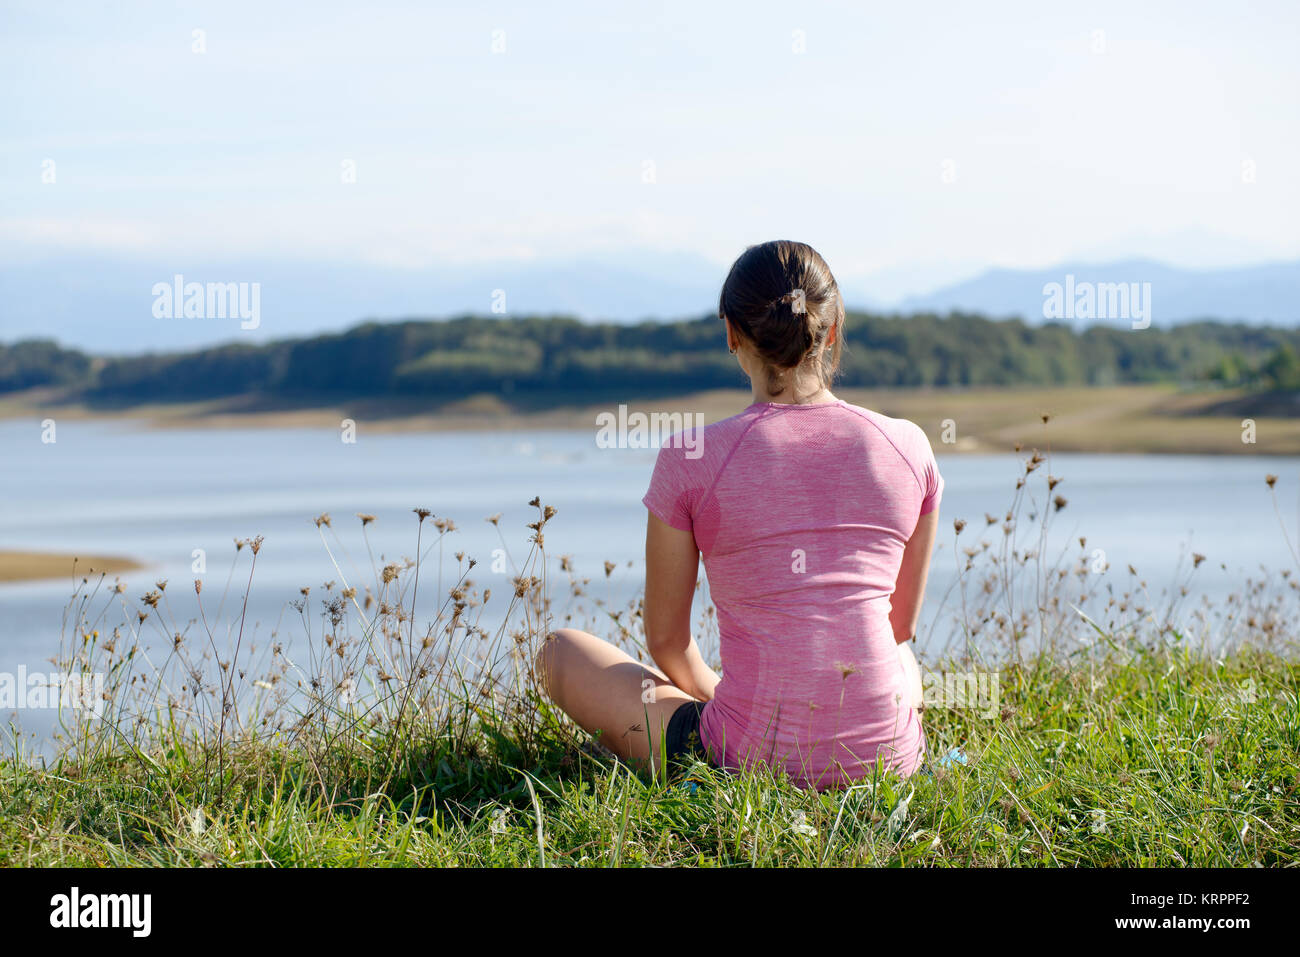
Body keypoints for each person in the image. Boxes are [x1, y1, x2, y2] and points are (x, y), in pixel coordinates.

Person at [534, 240, 942, 789]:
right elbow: (901, 624)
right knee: (905, 659)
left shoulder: (690, 458)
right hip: (890, 760)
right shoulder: (909, 446)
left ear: (730, 334)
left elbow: (668, 643)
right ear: (834, 330)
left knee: (558, 653)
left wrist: (720, 698)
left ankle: (722, 731)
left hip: (746, 762)